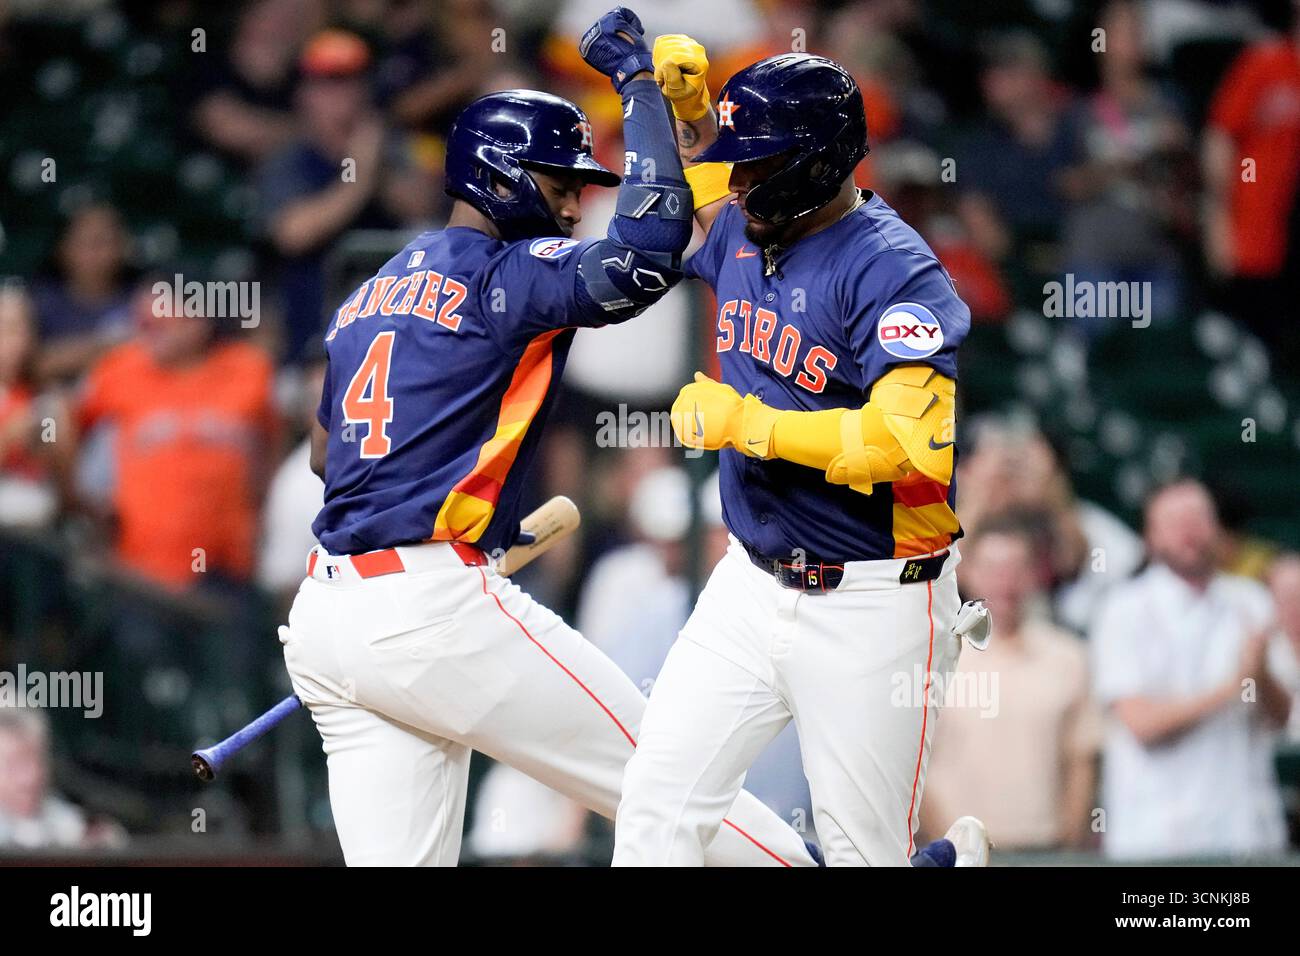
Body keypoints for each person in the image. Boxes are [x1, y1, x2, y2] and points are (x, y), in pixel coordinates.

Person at [278, 7, 818, 868]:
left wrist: (447, 508)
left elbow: (322, 453)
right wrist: (638, 87)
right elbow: (644, 253)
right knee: (666, 781)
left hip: (330, 618)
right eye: (560, 183)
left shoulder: (371, 285)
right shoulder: (505, 275)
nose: (574, 205)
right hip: (431, 612)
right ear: (499, 177)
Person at [613, 40, 988, 866]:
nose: (737, 179)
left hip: (876, 596)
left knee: (862, 852)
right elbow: (708, 194)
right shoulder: (751, 220)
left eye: (758, 163)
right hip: (749, 583)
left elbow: (905, 445)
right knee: (653, 813)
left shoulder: (896, 272)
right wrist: (694, 115)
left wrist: (749, 424)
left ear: (813, 167)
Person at [1091, 479, 1291, 860]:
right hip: (1158, 839)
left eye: (1199, 518)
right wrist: (1232, 687)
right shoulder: (1123, 610)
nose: (1190, 532)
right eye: (1174, 522)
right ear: (1150, 537)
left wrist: (1259, 674)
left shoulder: (1251, 601)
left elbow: (1280, 718)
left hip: (1247, 833)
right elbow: (1142, 724)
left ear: (1218, 528)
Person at [73, 278, 278, 590]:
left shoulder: (249, 368)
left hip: (228, 568)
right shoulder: (121, 368)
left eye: (160, 324)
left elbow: (274, 444)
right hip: (140, 572)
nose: (147, 333)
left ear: (199, 320)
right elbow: (62, 422)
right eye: (144, 325)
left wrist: (262, 510)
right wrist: (80, 505)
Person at [922, 516, 1101, 851]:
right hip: (958, 851)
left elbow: (1082, 756)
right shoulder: (934, 658)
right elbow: (915, 768)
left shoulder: (1069, 657)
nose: (1006, 582)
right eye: (992, 568)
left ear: (1036, 574)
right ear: (966, 572)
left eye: (1018, 568)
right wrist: (945, 849)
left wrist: (1069, 842)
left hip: (1047, 848)